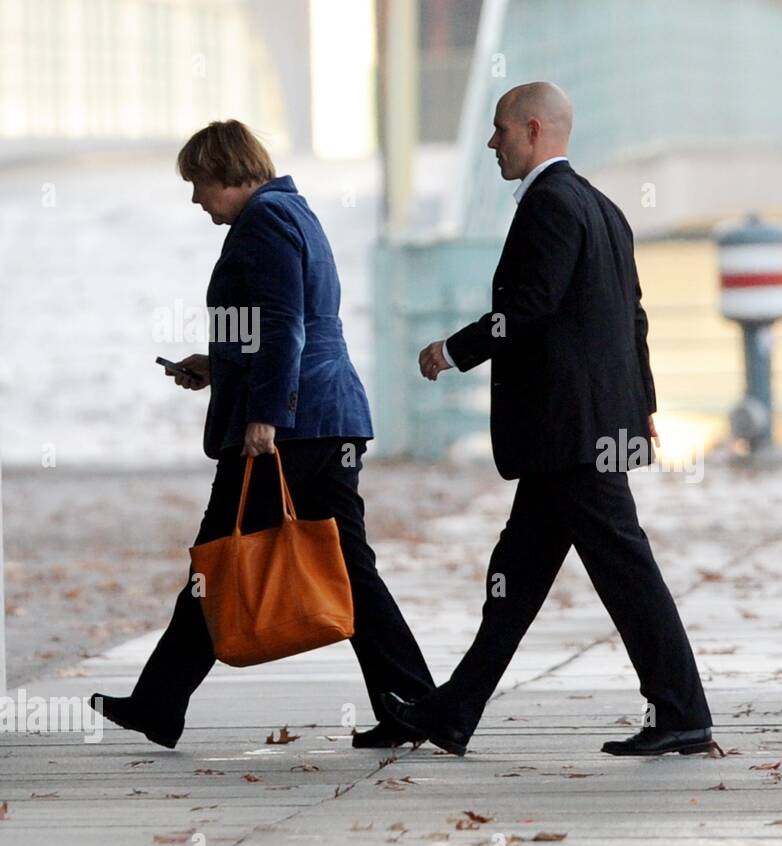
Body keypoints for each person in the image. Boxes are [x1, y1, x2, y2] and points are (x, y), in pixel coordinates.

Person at [383, 82, 714, 757]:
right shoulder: (602, 207)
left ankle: (683, 712)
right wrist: (643, 410)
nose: (491, 143)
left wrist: (453, 350)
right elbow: (633, 320)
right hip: (584, 432)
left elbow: (528, 307)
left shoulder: (551, 206)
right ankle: (453, 713)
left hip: (571, 435)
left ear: (533, 130)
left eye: (500, 130)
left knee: (626, 573)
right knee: (516, 579)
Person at [92, 120, 435, 749]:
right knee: (307, 563)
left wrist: (266, 415)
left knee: (224, 559)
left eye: (199, 182)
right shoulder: (291, 212)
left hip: (296, 429)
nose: (196, 198)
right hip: (320, 419)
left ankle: (160, 703)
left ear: (228, 173)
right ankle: (412, 703)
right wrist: (217, 366)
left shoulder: (265, 222)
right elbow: (286, 323)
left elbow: (284, 326)